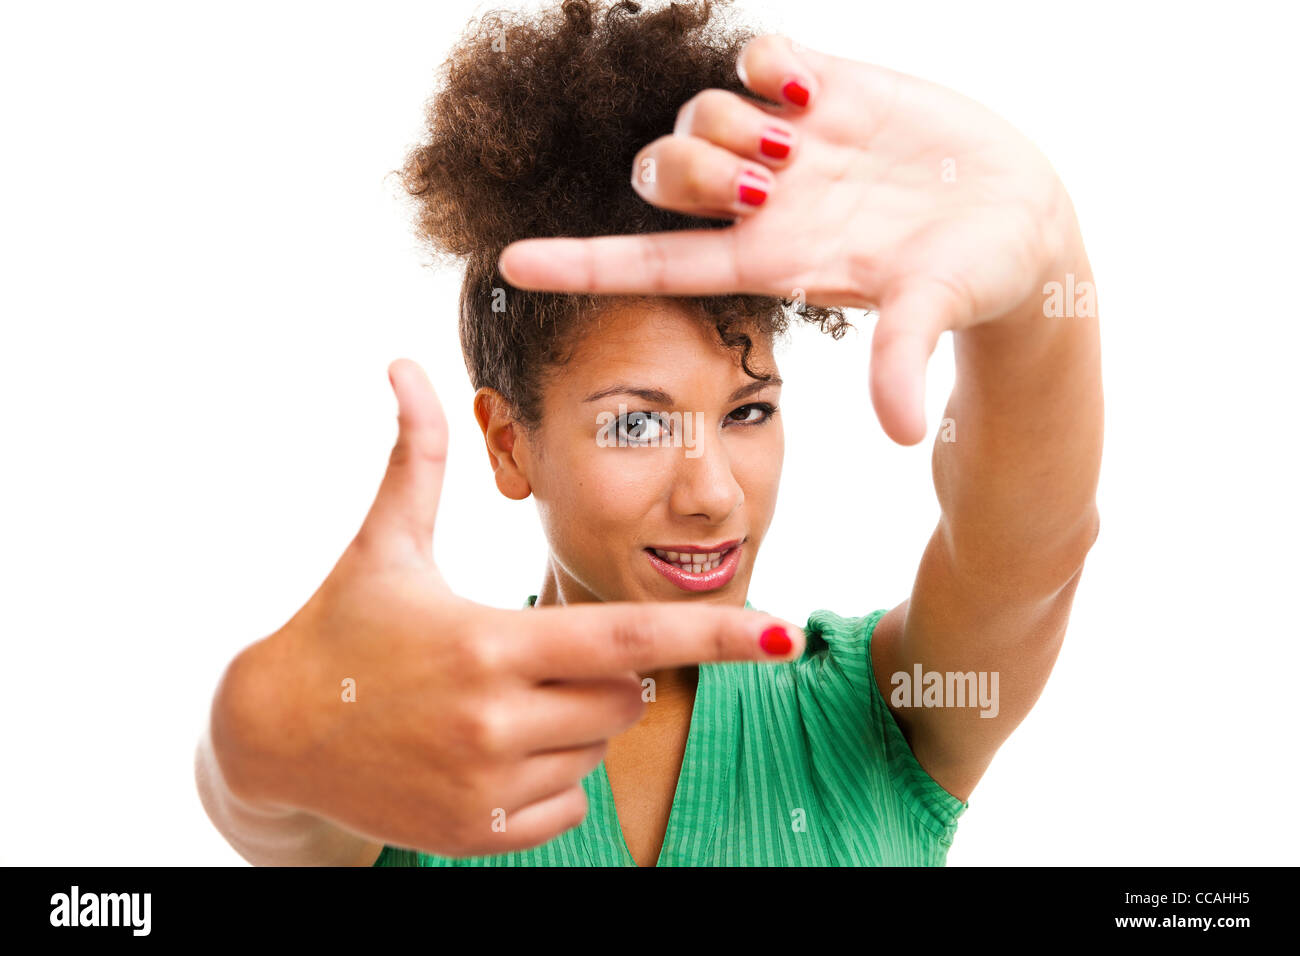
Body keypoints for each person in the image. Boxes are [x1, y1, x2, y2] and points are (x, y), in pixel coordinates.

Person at [195, 0, 1102, 866]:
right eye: (637, 422)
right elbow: (267, 803)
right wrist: (266, 721)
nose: (712, 494)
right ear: (511, 445)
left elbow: (1028, 554)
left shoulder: (881, 713)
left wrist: (1042, 252)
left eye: (748, 412)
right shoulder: (430, 738)